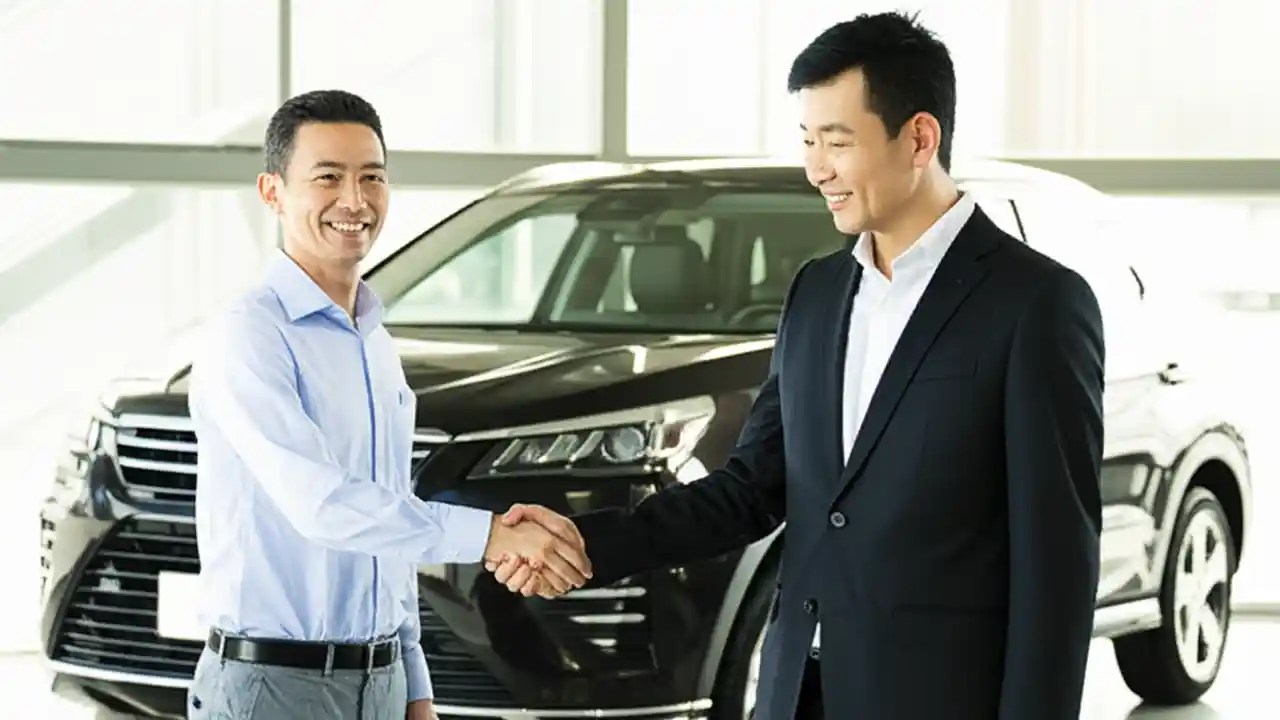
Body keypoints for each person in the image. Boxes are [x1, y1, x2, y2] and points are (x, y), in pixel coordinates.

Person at [488, 12, 1105, 720]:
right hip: (796, 693)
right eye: (808, 140)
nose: (817, 169)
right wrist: (587, 544)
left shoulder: (1035, 303)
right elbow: (753, 487)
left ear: (920, 139)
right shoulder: (817, 293)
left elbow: (1056, 566)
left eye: (837, 142)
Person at [186, 89, 591, 720]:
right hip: (273, 688)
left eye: (372, 177)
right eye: (328, 178)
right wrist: (489, 536)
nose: (355, 200)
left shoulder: (372, 338)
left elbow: (386, 518)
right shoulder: (250, 334)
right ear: (272, 192)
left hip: (379, 684)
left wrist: (412, 680)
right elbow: (323, 504)